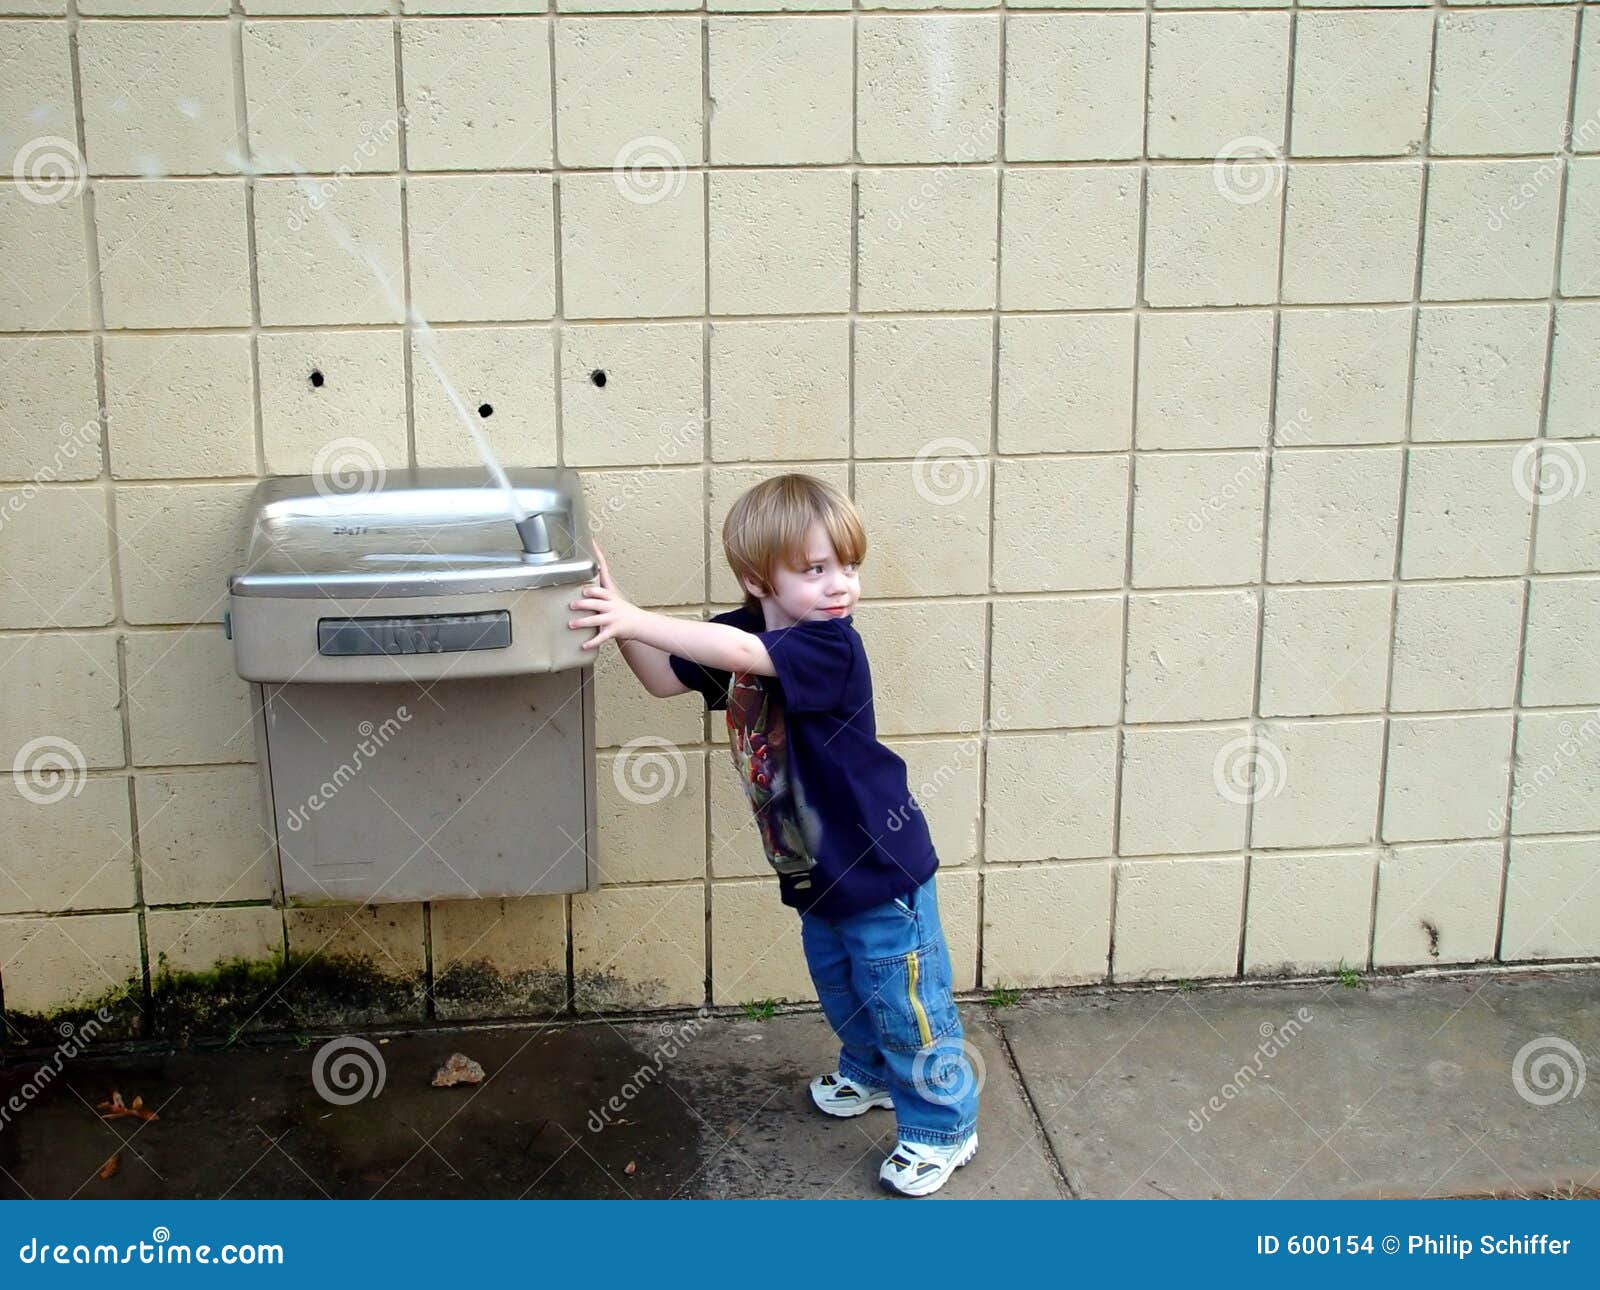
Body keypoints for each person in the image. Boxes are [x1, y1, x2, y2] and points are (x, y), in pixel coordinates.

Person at [567, 473, 979, 1196]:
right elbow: (665, 676)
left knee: (906, 999)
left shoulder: (831, 648)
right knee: (843, 987)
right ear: (760, 578)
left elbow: (743, 660)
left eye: (848, 567)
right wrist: (617, 620)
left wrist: (635, 616)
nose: (839, 585)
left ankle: (944, 1125)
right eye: (815, 570)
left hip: (879, 865)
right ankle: (873, 1074)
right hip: (815, 867)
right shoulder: (747, 630)